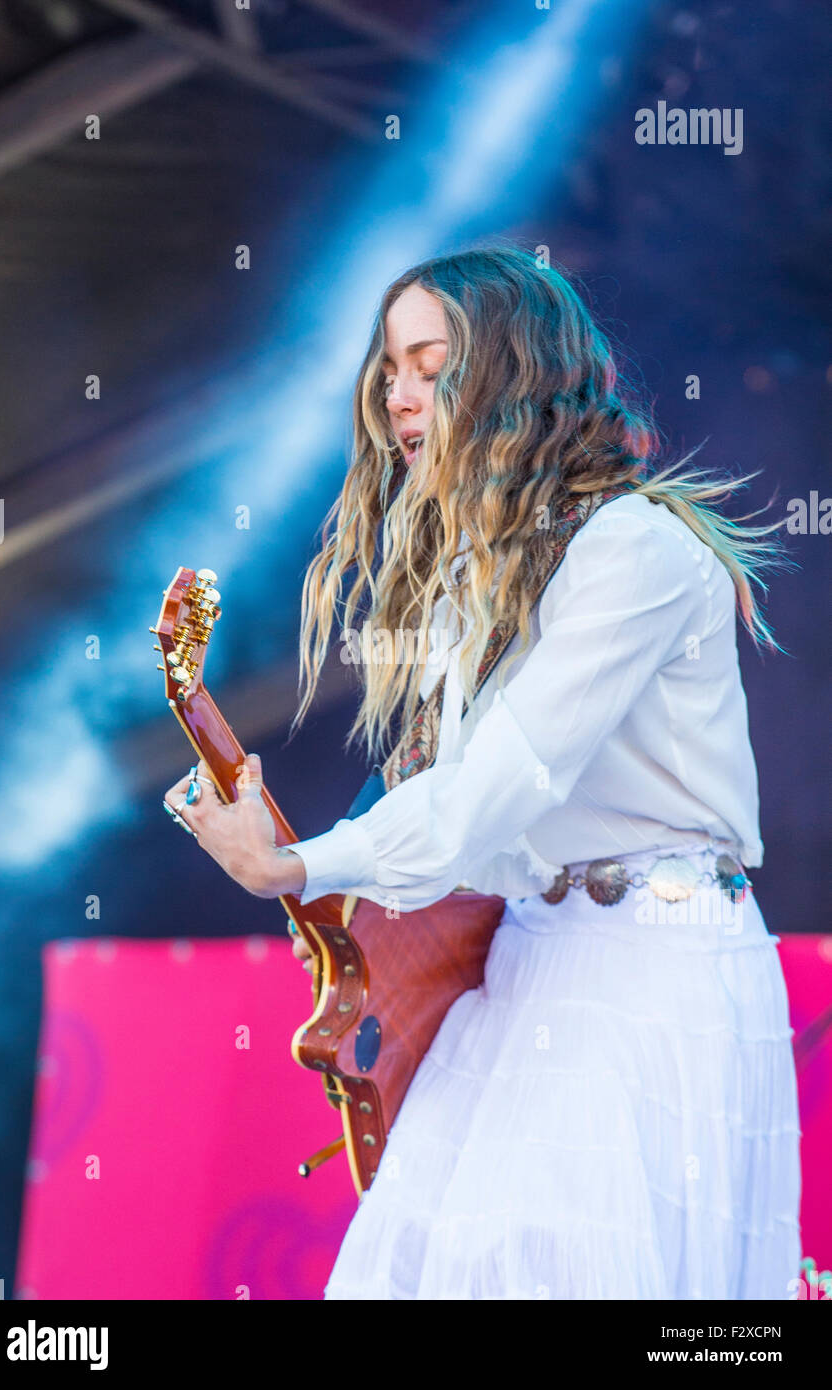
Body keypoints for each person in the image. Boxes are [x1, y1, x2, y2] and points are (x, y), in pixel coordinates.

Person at [164, 247, 801, 1300]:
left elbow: (507, 779)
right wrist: (308, 859)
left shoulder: (632, 549)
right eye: (386, 374)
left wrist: (299, 865)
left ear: (511, 373)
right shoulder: (481, 574)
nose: (397, 400)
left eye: (428, 366)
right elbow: (458, 808)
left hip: (652, 958)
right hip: (528, 957)